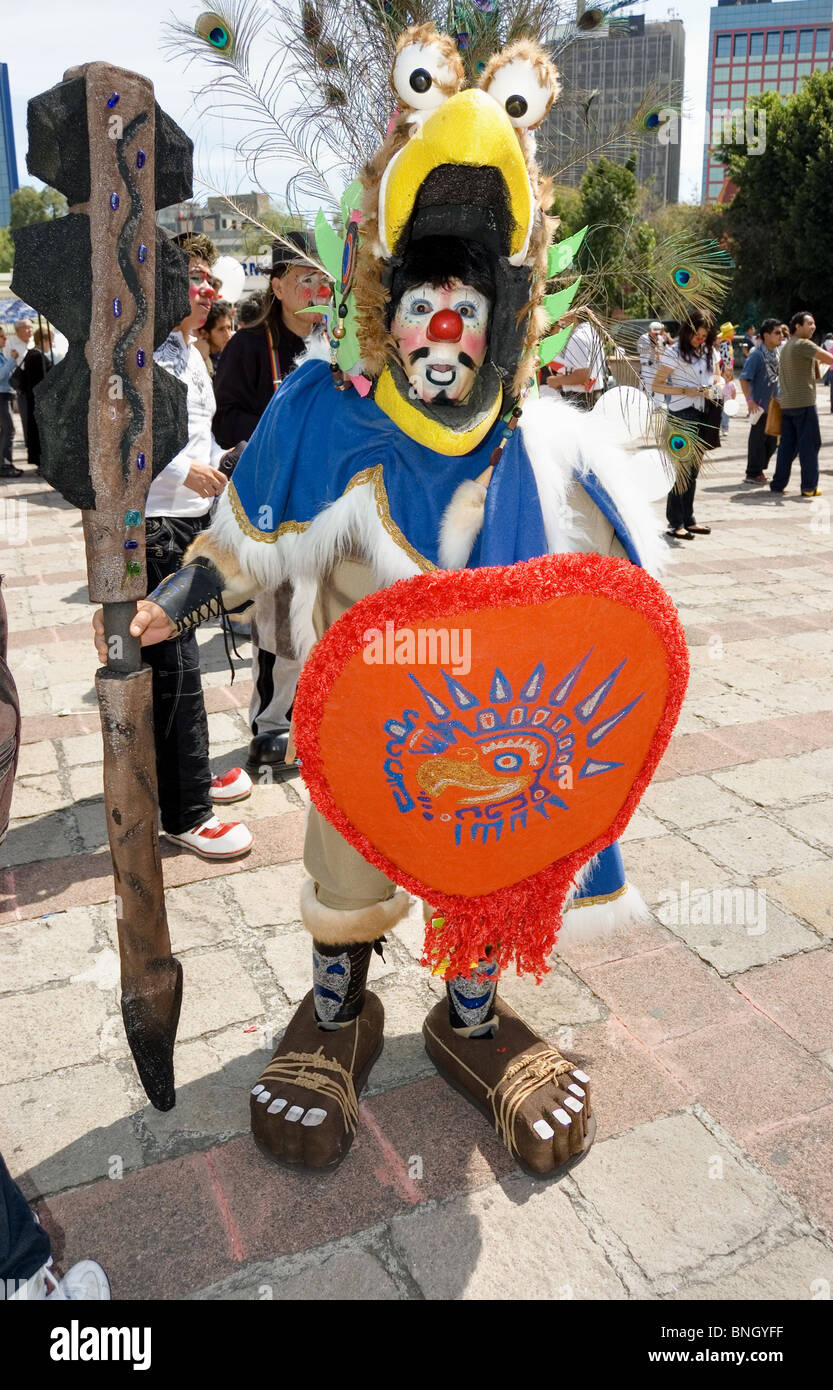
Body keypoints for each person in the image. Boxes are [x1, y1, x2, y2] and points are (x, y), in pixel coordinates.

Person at [92, 20, 687, 1184]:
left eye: (469, 303)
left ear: (510, 313)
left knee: (494, 853)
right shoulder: (324, 418)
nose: (443, 328)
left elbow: (606, 615)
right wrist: (174, 596)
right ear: (385, 305)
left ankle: (468, 1022)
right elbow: (244, 535)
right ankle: (338, 1012)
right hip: (367, 722)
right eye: (424, 300)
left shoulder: (542, 448)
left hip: (501, 728)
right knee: (349, 856)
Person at [145, 232, 254, 858]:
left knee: (184, 666)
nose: (210, 289)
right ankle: (187, 814)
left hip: (192, 527)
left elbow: (199, 442)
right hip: (159, 530)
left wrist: (230, 460)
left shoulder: (188, 351)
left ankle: (190, 777)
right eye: (195, 277)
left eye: (211, 279)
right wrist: (176, 470)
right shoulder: (145, 356)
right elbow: (117, 443)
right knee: (177, 672)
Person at [213, 232, 332, 782]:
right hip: (274, 505)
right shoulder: (246, 346)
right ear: (278, 286)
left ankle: (326, 717)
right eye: (303, 277)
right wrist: (276, 438)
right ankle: (273, 725)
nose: (316, 286)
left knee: (330, 614)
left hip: (333, 504)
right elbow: (226, 420)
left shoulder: (347, 343)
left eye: (321, 276)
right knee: (279, 620)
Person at [652, 311, 721, 539]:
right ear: (687, 331)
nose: (699, 339)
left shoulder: (711, 352)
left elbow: (719, 378)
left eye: (703, 335)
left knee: (693, 471)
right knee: (680, 469)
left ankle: (689, 518)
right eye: (696, 334)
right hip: (682, 414)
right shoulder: (675, 352)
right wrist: (685, 390)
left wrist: (713, 387)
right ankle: (675, 522)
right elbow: (658, 385)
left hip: (705, 413)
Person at [770, 311, 833, 498]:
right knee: (810, 445)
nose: (813, 327)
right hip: (804, 402)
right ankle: (808, 487)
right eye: (809, 323)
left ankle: (778, 483)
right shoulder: (803, 343)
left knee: (787, 446)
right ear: (797, 326)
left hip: (788, 403)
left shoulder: (788, 345)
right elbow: (829, 359)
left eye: (814, 323)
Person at [739, 317, 782, 482]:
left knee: (771, 441)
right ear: (766, 335)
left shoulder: (776, 353)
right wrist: (749, 401)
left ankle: (759, 469)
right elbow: (744, 379)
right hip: (760, 406)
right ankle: (753, 472)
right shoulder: (756, 355)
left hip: (774, 405)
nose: (780, 336)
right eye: (776, 333)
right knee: (758, 440)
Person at [544, 309, 608, 409]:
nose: (561, 318)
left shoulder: (578, 337)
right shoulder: (590, 332)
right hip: (589, 396)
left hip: (580, 399)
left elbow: (582, 375)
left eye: (564, 312)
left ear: (573, 314)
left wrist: (556, 381)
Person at [11, 326, 54, 472]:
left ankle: (40, 462)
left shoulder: (31, 355)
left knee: (36, 431)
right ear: (44, 340)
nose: (51, 345)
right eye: (50, 341)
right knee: (40, 432)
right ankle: (43, 463)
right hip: (38, 402)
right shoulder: (38, 357)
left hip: (32, 401)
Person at [6, 319, 34, 459]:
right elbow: (7, 366)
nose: (30, 330)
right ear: (17, 331)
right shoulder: (10, 344)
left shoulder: (35, 341)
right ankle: (32, 451)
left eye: (31, 327)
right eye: (26, 328)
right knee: (27, 421)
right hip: (23, 389)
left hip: (38, 385)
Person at [0, 329, 22, 479]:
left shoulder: (1, 355)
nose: (5, 339)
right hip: (0, 397)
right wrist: (12, 360)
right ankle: (5, 465)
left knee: (5, 431)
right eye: (1, 336)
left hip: (5, 395)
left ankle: (5, 463)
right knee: (9, 430)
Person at [195, 297, 234, 376]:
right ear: (205, 333)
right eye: (221, 329)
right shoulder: (194, 359)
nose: (228, 334)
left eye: (229, 328)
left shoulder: (232, 355)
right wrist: (202, 359)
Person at [636, 320, 668, 398]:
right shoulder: (643, 338)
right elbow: (639, 350)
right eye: (654, 332)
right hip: (647, 366)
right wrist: (652, 348)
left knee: (659, 389)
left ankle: (657, 407)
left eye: (657, 332)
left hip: (657, 366)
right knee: (646, 389)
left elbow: (664, 351)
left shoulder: (660, 338)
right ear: (650, 330)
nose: (656, 334)